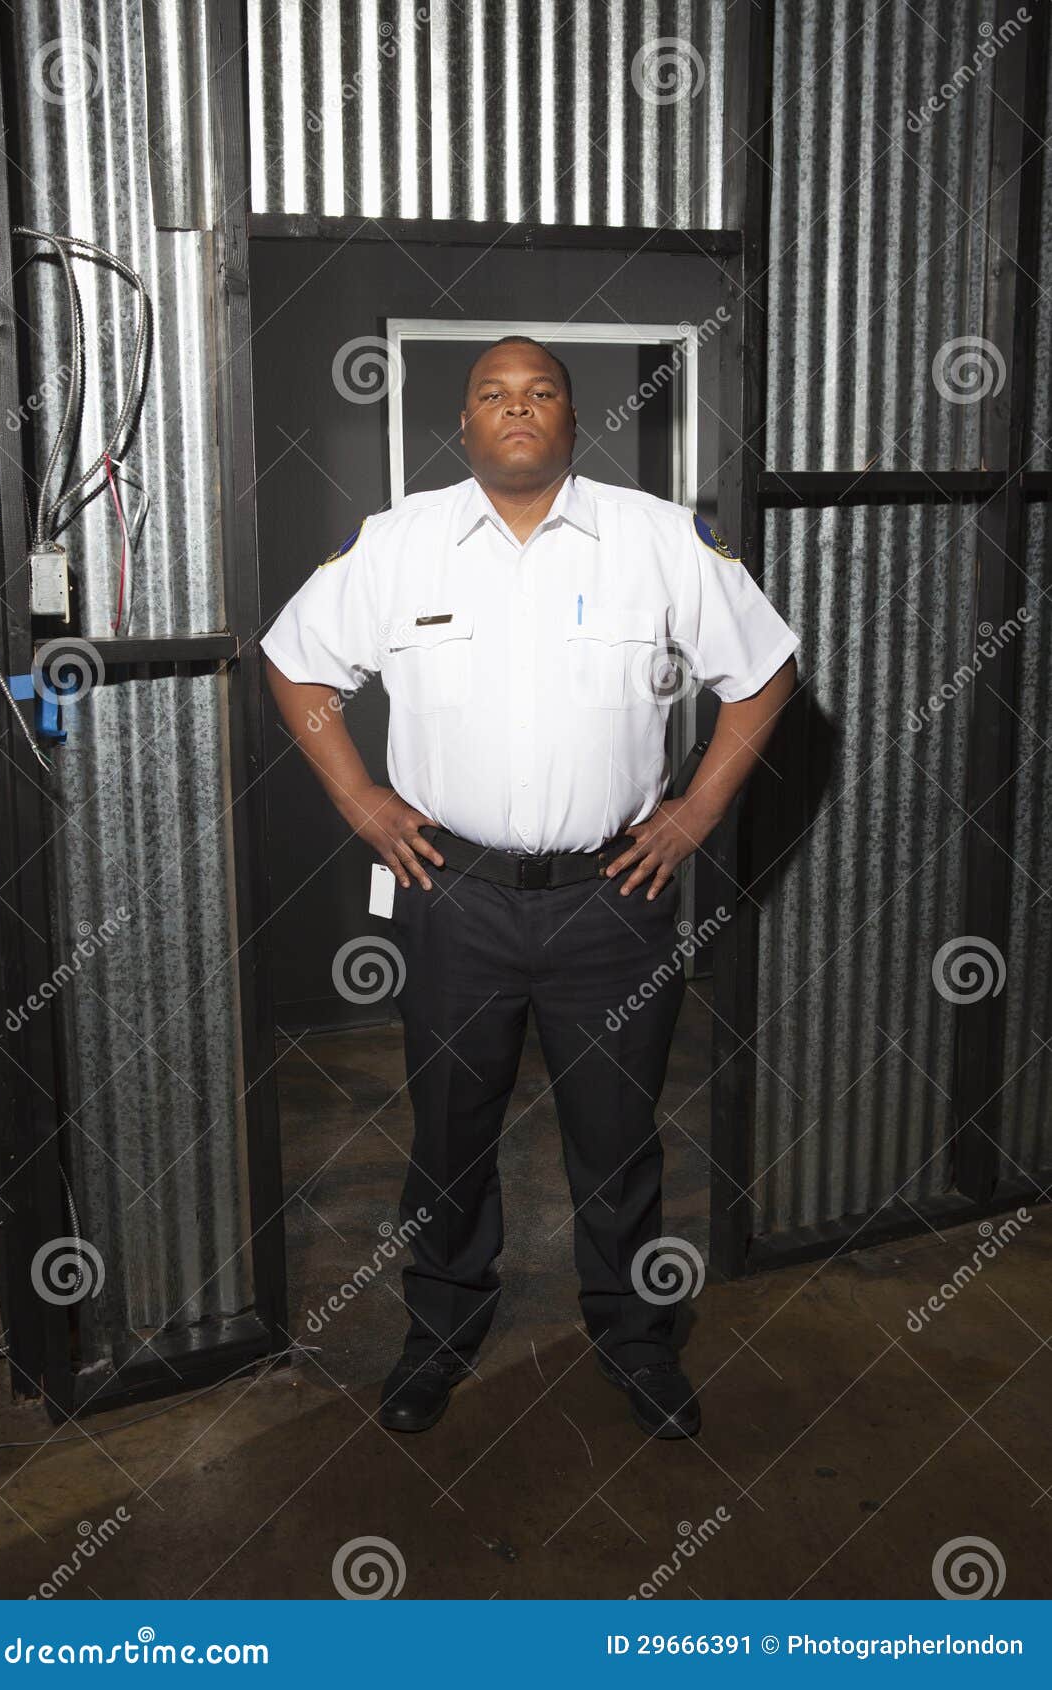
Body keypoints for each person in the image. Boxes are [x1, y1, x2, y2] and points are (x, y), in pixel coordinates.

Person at [261, 334, 799, 1442]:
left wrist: (695, 813)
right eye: (492, 395)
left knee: (618, 1136)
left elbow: (765, 672)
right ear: (462, 423)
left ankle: (636, 1341)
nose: (516, 409)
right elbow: (292, 659)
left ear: (570, 415)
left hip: (612, 899)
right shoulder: (401, 545)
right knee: (450, 1131)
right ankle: (440, 1334)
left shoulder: (656, 540)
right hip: (451, 893)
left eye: (539, 392)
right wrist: (361, 797)